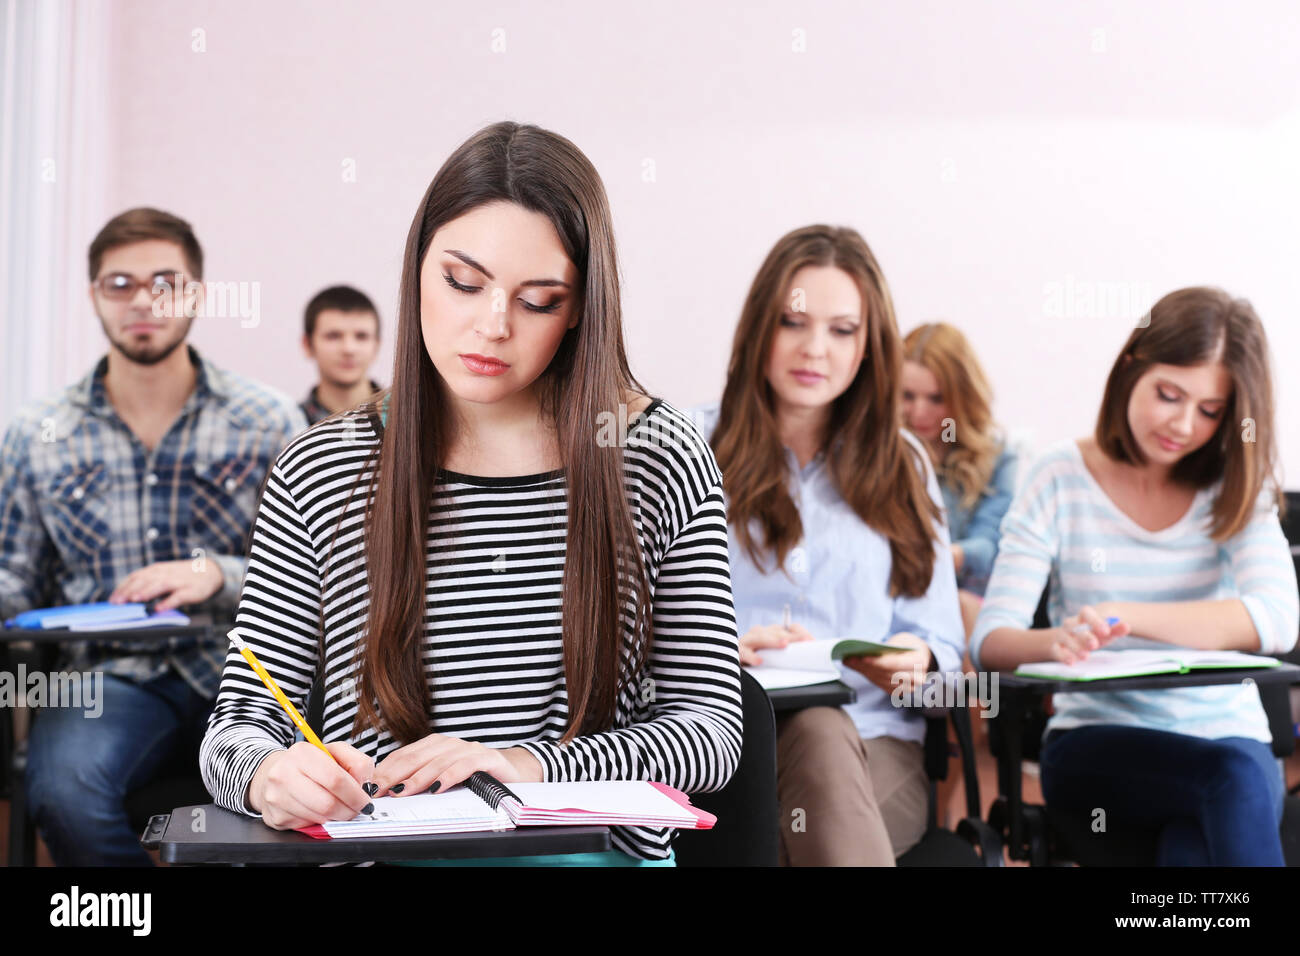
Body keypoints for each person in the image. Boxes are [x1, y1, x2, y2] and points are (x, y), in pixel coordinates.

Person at [200, 121, 743, 866]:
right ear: (418, 269)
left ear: (583, 305)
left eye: (539, 300)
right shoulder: (322, 465)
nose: (491, 326)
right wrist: (267, 775)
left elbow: (710, 731)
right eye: (463, 282)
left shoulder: (653, 455)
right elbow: (238, 723)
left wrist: (523, 764)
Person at [0, 207, 306, 865]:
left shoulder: (269, 419)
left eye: (165, 282)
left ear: (197, 293)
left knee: (301, 795)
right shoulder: (37, 432)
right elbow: (13, 582)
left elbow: (326, 578)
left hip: (247, 672)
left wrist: (221, 572)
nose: (143, 301)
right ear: (94, 297)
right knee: (64, 790)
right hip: (109, 679)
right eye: (120, 284)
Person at [972, 287, 1298, 866]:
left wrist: (1129, 617)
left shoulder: (1235, 485)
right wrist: (1056, 641)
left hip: (1231, 741)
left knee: (1192, 850)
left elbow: (1276, 619)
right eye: (1168, 394)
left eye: (1210, 410)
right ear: (1130, 368)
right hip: (1098, 745)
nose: (1182, 424)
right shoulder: (1057, 476)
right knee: (1228, 781)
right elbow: (991, 640)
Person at [690, 224, 964, 865]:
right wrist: (723, 652)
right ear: (760, 327)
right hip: (728, 749)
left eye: (843, 330)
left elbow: (944, 649)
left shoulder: (905, 466)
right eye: (793, 322)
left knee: (819, 728)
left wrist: (915, 659)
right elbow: (628, 634)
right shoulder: (688, 445)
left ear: (869, 346)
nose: (816, 349)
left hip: (873, 749)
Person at [901, 322, 1017, 636]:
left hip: (968, 598)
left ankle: (967, 687)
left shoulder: (997, 456)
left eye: (936, 399)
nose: (918, 412)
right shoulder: (882, 455)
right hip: (901, 595)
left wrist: (946, 558)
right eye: (907, 396)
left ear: (962, 397)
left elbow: (994, 543)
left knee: (962, 605)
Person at [299, 285, 384, 425]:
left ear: (376, 346)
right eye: (333, 336)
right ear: (307, 345)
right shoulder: (287, 427)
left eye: (361, 336)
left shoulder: (407, 419)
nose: (348, 349)